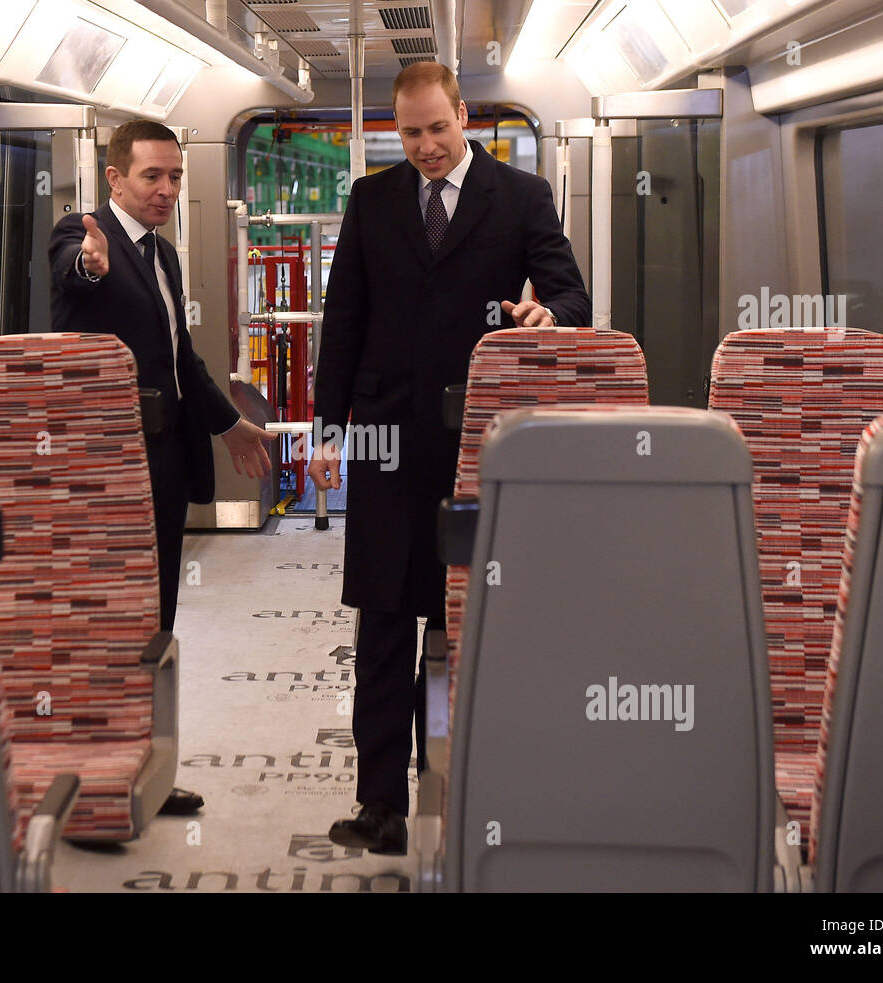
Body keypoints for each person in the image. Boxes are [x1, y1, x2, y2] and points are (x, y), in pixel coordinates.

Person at [310, 63, 591, 854]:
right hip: (386, 440)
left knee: (472, 621)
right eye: (410, 133)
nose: (426, 146)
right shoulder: (371, 200)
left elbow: (574, 299)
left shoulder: (523, 196)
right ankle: (380, 804)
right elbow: (345, 321)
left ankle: (479, 789)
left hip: (476, 443)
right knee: (384, 625)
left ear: (462, 116)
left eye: (437, 128)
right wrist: (328, 430)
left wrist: (546, 313)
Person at [50, 119, 273, 816]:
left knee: (156, 620)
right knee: (107, 623)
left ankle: (148, 764)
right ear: (114, 177)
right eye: (152, 176)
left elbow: (183, 362)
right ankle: (91, 769)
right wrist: (89, 263)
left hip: (166, 466)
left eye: (175, 177)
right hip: (109, 473)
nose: (166, 190)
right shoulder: (80, 236)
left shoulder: (165, 256)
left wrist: (230, 423)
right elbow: (71, 272)